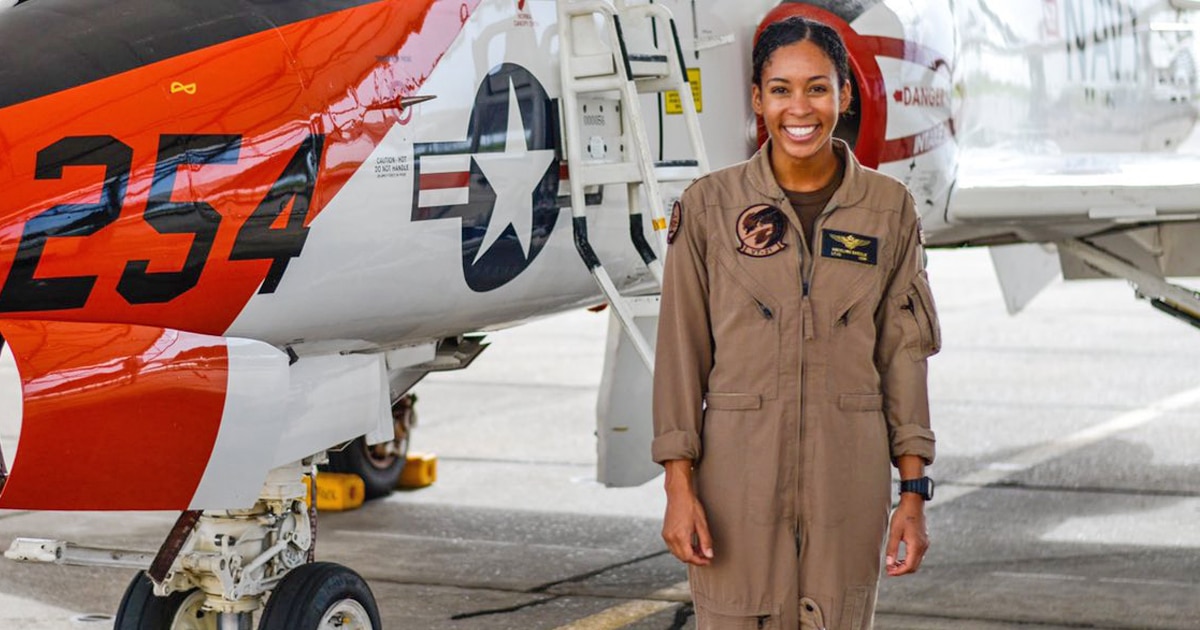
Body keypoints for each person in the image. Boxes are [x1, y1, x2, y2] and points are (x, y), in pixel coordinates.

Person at [652, 15, 940, 630]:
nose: (798, 108)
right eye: (780, 89)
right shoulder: (708, 208)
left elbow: (903, 357)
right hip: (737, 488)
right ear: (758, 99)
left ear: (844, 94)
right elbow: (680, 356)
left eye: (817, 87)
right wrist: (679, 487)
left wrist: (911, 496)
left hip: (849, 486)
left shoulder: (889, 210)